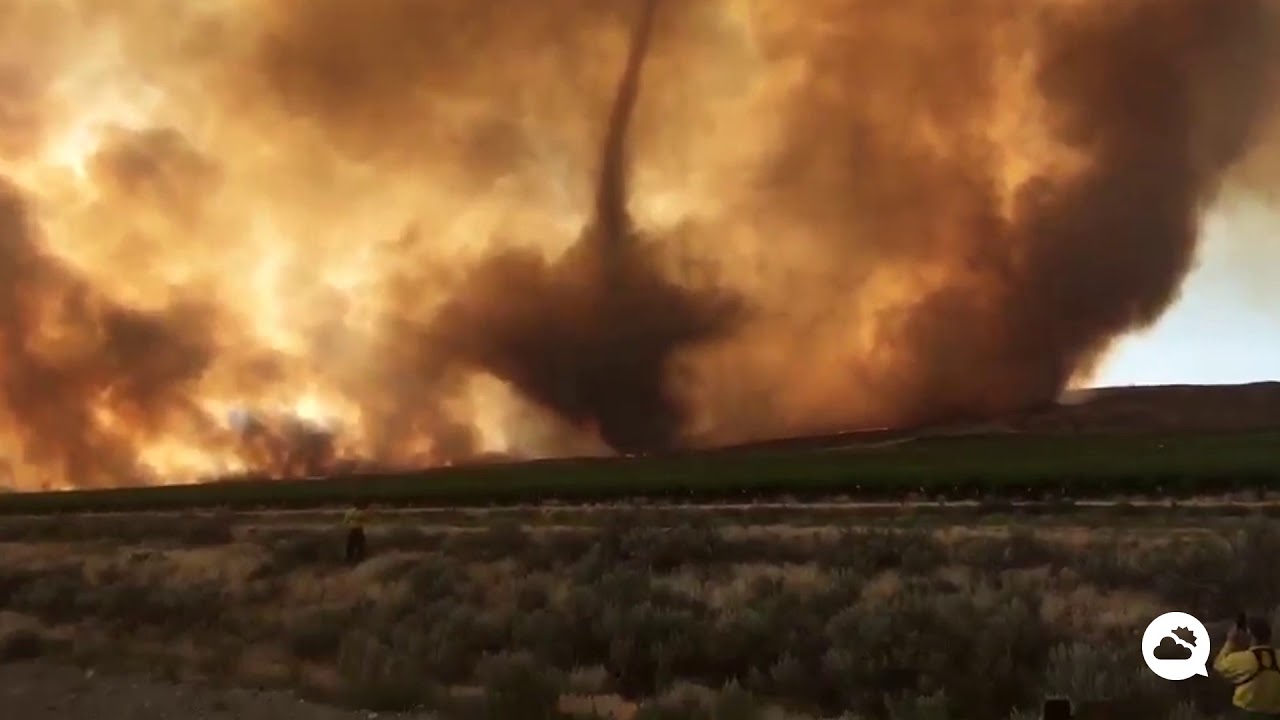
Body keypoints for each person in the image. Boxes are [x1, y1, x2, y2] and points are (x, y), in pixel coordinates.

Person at [1214, 615, 1280, 718]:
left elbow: (1219, 665)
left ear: (1249, 634)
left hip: (1246, 714)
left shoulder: (1243, 659)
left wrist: (1230, 642)